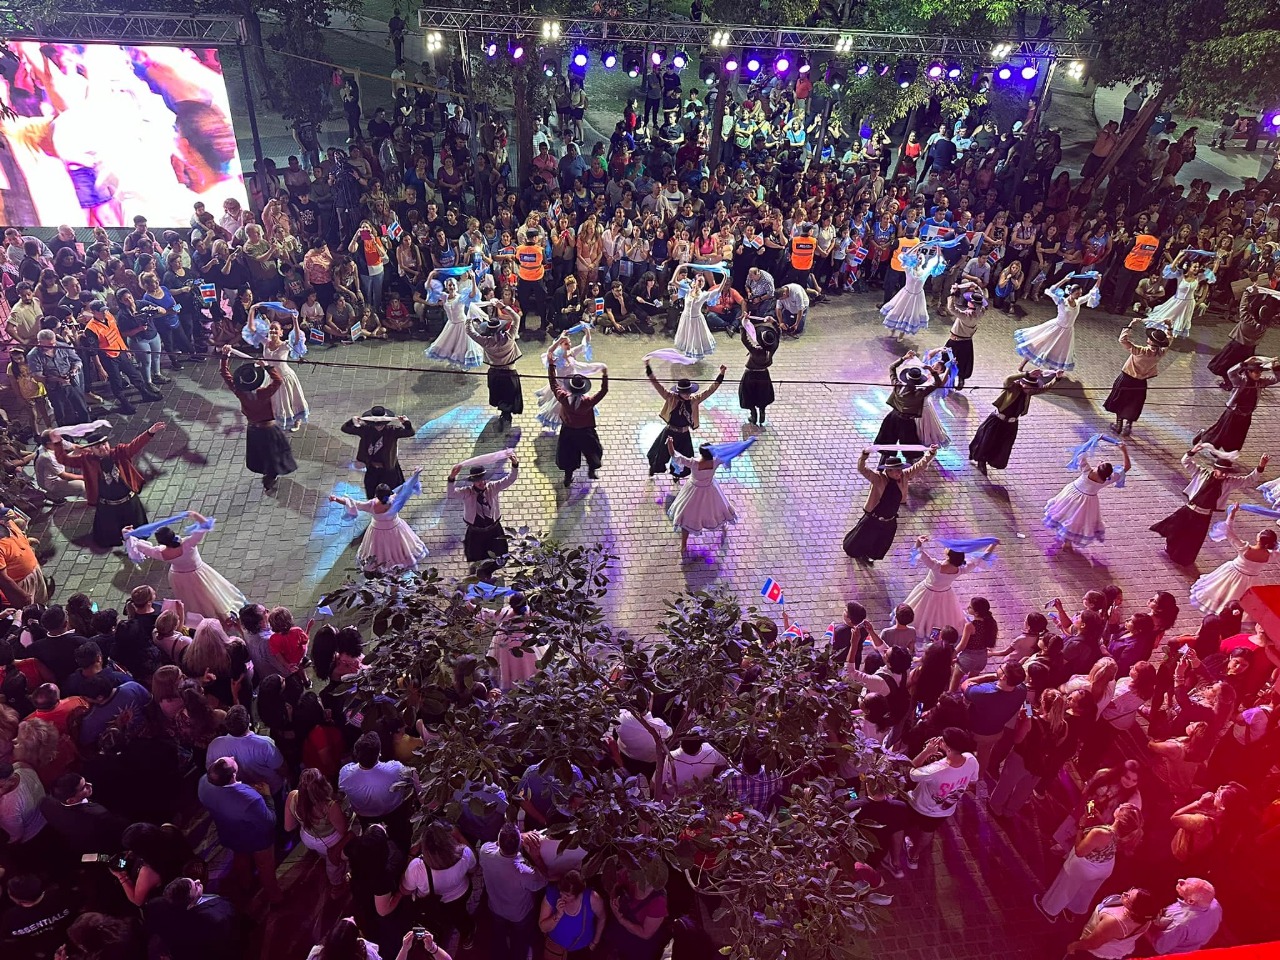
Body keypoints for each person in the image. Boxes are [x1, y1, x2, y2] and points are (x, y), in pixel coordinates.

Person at [57, 421, 167, 549]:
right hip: (107, 505)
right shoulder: (87, 460)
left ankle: (138, 540)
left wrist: (150, 432)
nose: (103, 448)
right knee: (109, 532)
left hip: (128, 500)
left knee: (138, 529)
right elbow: (63, 460)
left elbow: (134, 446)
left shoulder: (119, 452)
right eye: (98, 447)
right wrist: (56, 443)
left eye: (104, 444)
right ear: (91, 449)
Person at [1150, 446, 1266, 566]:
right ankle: (1169, 548)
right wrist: (1193, 451)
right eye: (1221, 471)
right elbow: (1185, 461)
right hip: (1189, 510)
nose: (1224, 474)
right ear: (1214, 469)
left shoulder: (1229, 482)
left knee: (1192, 539)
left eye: (1226, 472)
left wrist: (1261, 466)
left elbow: (1248, 480)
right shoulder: (1202, 473)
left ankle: (1181, 557)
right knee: (1175, 529)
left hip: (1203, 516)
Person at [122, 510, 246, 621]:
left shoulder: (159, 552)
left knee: (190, 599)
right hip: (198, 573)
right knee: (209, 592)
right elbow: (205, 525)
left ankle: (199, 616)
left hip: (179, 577)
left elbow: (137, 544)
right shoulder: (188, 544)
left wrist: (127, 533)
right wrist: (194, 514)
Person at [886, 727, 978, 875]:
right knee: (928, 831)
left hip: (918, 805)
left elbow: (912, 773)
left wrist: (926, 752)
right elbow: (973, 779)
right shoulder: (970, 759)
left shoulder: (936, 769)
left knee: (899, 825)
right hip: (944, 810)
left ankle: (895, 861)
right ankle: (914, 857)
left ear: (947, 747)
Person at [1035, 804, 1143, 922]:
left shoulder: (1099, 833)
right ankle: (1071, 910)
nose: (1119, 805)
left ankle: (1049, 910)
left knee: (1064, 887)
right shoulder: (1125, 835)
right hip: (1104, 867)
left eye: (1121, 807)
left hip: (1085, 867)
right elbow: (1111, 834)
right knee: (1084, 891)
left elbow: (1079, 851)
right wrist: (1100, 819)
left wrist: (1081, 826)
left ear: (1119, 816)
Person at [198, 757, 283, 903]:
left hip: (229, 833)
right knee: (265, 866)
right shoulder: (250, 799)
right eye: (231, 761)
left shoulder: (204, 783)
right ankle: (275, 897)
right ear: (233, 776)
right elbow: (269, 821)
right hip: (257, 839)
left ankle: (246, 884)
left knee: (240, 858)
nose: (232, 757)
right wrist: (267, 795)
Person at [842, 446, 938, 565]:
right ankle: (859, 554)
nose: (899, 472)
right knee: (862, 539)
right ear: (889, 471)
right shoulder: (878, 478)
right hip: (874, 517)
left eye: (900, 469)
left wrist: (931, 452)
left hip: (890, 519)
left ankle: (869, 556)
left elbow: (919, 466)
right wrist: (864, 455)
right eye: (896, 470)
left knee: (882, 542)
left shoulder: (904, 476)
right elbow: (862, 468)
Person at [219, 346, 296, 493]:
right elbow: (278, 381)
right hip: (269, 430)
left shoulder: (239, 391)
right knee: (275, 455)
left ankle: (267, 476)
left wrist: (225, 356)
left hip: (253, 429)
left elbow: (224, 373)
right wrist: (267, 367)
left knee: (262, 455)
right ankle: (269, 478)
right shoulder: (263, 393)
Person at [1189, 505, 1279, 614]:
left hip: (1232, 573)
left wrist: (1232, 513)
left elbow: (1228, 530)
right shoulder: (1272, 555)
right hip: (1252, 580)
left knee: (1222, 589)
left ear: (1259, 539)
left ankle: (1219, 605)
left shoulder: (1244, 548)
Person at [969, 369, 1060, 475]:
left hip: (1011, 424)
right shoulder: (1011, 387)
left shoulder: (1029, 392)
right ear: (1022, 383)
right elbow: (1008, 379)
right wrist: (1026, 374)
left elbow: (1044, 388)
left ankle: (992, 460)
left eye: (1031, 387)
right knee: (987, 441)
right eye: (1027, 385)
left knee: (1003, 445)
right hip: (997, 420)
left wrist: (1057, 378)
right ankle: (981, 461)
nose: (1028, 389)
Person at [329, 476, 428, 573]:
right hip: (396, 529)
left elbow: (354, 503)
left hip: (377, 532)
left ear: (376, 495)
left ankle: (383, 567)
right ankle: (398, 568)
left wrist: (336, 499)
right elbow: (407, 487)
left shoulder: (371, 505)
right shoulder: (395, 500)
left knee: (379, 550)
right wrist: (415, 475)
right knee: (399, 549)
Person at [645, 363, 725, 481]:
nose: (688, 395)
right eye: (685, 393)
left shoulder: (694, 400)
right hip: (670, 432)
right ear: (679, 392)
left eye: (689, 392)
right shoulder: (671, 397)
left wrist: (721, 374)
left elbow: (710, 390)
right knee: (661, 454)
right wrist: (649, 370)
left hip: (684, 434)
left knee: (683, 457)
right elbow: (657, 385)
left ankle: (676, 474)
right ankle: (654, 469)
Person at [1043, 443, 1131, 549]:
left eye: (1101, 462)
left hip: (1071, 495)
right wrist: (1124, 451)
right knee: (1076, 520)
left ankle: (1065, 538)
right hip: (1089, 502)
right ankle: (1068, 542)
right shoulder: (1109, 479)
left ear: (1098, 467)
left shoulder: (1086, 471)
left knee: (1065, 514)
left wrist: (1092, 442)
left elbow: (1081, 453)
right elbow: (1127, 467)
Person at [480, 824, 546, 960]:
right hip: (520, 914)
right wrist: (536, 857)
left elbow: (492, 844)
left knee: (499, 936)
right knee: (520, 941)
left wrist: (519, 836)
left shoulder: (485, 852)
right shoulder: (525, 873)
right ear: (520, 846)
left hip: (495, 908)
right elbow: (543, 880)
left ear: (498, 842)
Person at [1013, 273, 1100, 374]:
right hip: (1056, 327)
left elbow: (1091, 293)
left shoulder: (1078, 302)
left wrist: (1099, 279)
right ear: (1071, 293)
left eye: (1080, 293)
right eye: (1077, 293)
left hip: (1067, 331)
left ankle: (1057, 373)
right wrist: (1064, 279)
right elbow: (1051, 290)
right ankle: (1021, 366)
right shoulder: (1062, 301)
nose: (1079, 295)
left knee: (1062, 351)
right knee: (1039, 344)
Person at [447, 456, 520, 575]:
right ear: (473, 481)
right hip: (476, 530)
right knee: (477, 555)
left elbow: (510, 479)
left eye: (483, 479)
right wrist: (452, 478)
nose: (481, 483)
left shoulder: (493, 487)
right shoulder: (467, 492)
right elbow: (451, 493)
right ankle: (480, 572)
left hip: (494, 528)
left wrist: (515, 464)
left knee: (499, 553)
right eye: (478, 480)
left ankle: (490, 571)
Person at [1192, 357, 1280, 453]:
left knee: (1237, 437)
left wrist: (1276, 368)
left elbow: (1276, 379)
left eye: (1260, 372)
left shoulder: (1261, 382)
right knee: (1219, 433)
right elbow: (1231, 373)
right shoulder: (1240, 381)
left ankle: (1228, 454)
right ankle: (1203, 435)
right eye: (1256, 372)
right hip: (1233, 413)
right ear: (1249, 372)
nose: (1259, 374)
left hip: (1246, 415)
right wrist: (1243, 363)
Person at [665, 440, 737, 557]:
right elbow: (728, 454)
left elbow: (675, 456)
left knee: (687, 517)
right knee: (717, 508)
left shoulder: (694, 463)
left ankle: (684, 545)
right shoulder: (715, 461)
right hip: (710, 489)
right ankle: (723, 526)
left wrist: (670, 444)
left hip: (693, 491)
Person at [1103, 319, 1170, 436]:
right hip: (1141, 382)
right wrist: (1169, 328)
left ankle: (1119, 425)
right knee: (1134, 403)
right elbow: (1170, 339)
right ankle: (1128, 425)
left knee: (1120, 400)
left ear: (1150, 341)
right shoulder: (1161, 353)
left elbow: (1122, 340)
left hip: (1127, 379)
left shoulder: (1140, 351)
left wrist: (1130, 325)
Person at [873, 355, 944, 464]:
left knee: (887, 445)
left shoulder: (897, 385)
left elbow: (892, 367)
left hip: (893, 417)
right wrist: (932, 371)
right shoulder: (920, 393)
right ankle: (910, 469)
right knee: (910, 448)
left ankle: (881, 467)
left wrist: (904, 358)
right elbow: (938, 383)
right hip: (907, 422)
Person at [548, 367, 608, 488]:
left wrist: (551, 367)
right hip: (585, 431)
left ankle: (568, 478)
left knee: (568, 454)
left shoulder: (563, 398)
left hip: (568, 431)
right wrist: (605, 376)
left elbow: (553, 384)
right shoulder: (588, 402)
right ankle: (591, 471)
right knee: (593, 451)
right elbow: (604, 391)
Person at [1208, 285, 1278, 387]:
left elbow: (1243, 307)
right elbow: (1274, 317)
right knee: (1242, 367)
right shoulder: (1265, 325)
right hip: (1249, 349)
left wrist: (1246, 293)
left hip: (1237, 346)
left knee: (1226, 365)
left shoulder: (1248, 321)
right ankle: (1237, 382)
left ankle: (1228, 383)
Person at [467, 303, 524, 426]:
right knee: (510, 394)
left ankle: (503, 413)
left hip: (494, 372)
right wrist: (503, 306)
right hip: (509, 371)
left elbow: (470, 332)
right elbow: (516, 318)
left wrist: (469, 319)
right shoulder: (509, 338)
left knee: (498, 393)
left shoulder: (486, 341)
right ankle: (506, 414)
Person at [341, 406, 415, 499]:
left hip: (388, 468)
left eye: (381, 424)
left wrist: (406, 423)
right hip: (372, 467)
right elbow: (345, 429)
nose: (378, 426)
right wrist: (351, 421)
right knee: (372, 491)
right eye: (376, 424)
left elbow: (410, 432)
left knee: (393, 492)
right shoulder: (365, 429)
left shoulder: (392, 430)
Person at [258, 310, 309, 433]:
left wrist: (295, 320)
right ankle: (275, 420)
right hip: (270, 378)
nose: (273, 331)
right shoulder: (265, 343)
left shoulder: (286, 345)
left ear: (281, 333)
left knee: (292, 400)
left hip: (285, 377)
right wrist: (254, 309)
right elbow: (251, 330)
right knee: (273, 401)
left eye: (276, 329)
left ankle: (297, 420)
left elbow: (297, 338)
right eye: (271, 329)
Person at [1145, 253, 1215, 339]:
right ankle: (1159, 333)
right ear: (1189, 267)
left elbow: (1212, 273)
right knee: (1166, 316)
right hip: (1177, 301)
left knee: (1179, 321)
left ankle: (1170, 337)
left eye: (1198, 267)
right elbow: (1171, 268)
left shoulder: (1198, 277)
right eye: (1194, 267)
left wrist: (1217, 262)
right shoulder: (1180, 275)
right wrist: (1179, 255)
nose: (1197, 269)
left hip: (1188, 304)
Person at [539, 869, 605, 959]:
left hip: (581, 948)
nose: (562, 897)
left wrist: (595, 942)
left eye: (567, 895)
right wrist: (558, 915)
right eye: (561, 892)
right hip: (555, 948)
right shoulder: (552, 894)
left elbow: (602, 918)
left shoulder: (592, 898)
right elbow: (543, 928)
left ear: (578, 894)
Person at [1148, 878, 1223, 954]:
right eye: (1186, 880)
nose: (1179, 880)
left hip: (1170, 950)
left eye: (1184, 885)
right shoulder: (1214, 903)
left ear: (1191, 901)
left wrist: (1144, 927)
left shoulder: (1181, 924)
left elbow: (1159, 947)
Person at [426, 275, 486, 369]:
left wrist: (473, 279)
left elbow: (473, 294)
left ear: (456, 286)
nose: (452, 287)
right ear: (447, 287)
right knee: (450, 344)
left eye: (453, 285)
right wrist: (431, 275)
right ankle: (453, 360)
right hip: (451, 325)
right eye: (450, 285)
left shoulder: (460, 297)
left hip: (462, 325)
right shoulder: (444, 297)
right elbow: (429, 288)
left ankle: (464, 364)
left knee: (462, 346)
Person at [880, 245, 939, 339]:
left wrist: (938, 248)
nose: (919, 260)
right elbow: (904, 256)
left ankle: (901, 335)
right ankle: (893, 331)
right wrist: (918, 246)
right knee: (898, 312)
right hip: (906, 294)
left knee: (909, 315)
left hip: (917, 297)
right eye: (918, 258)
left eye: (921, 258)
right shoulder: (909, 269)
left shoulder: (925, 272)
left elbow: (937, 263)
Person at [943, 281, 987, 390]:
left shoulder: (966, 315)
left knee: (948, 359)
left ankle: (949, 380)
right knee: (963, 362)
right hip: (967, 342)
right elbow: (983, 298)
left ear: (972, 304)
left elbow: (951, 308)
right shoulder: (980, 312)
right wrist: (977, 289)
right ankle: (961, 379)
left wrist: (952, 294)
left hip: (955, 341)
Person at [669, 267, 717, 359]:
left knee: (696, 337)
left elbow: (717, 291)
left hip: (696, 319)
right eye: (699, 280)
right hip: (686, 317)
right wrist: (678, 268)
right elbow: (673, 282)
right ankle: (687, 353)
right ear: (695, 281)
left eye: (702, 281)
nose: (700, 282)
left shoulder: (703, 294)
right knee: (686, 336)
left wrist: (724, 278)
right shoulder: (688, 289)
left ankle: (695, 353)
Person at [739, 320, 779, 426]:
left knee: (749, 395)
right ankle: (762, 411)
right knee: (762, 394)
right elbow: (778, 334)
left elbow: (744, 339)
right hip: (764, 375)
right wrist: (774, 323)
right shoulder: (771, 350)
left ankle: (753, 415)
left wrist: (742, 325)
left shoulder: (755, 350)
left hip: (750, 375)